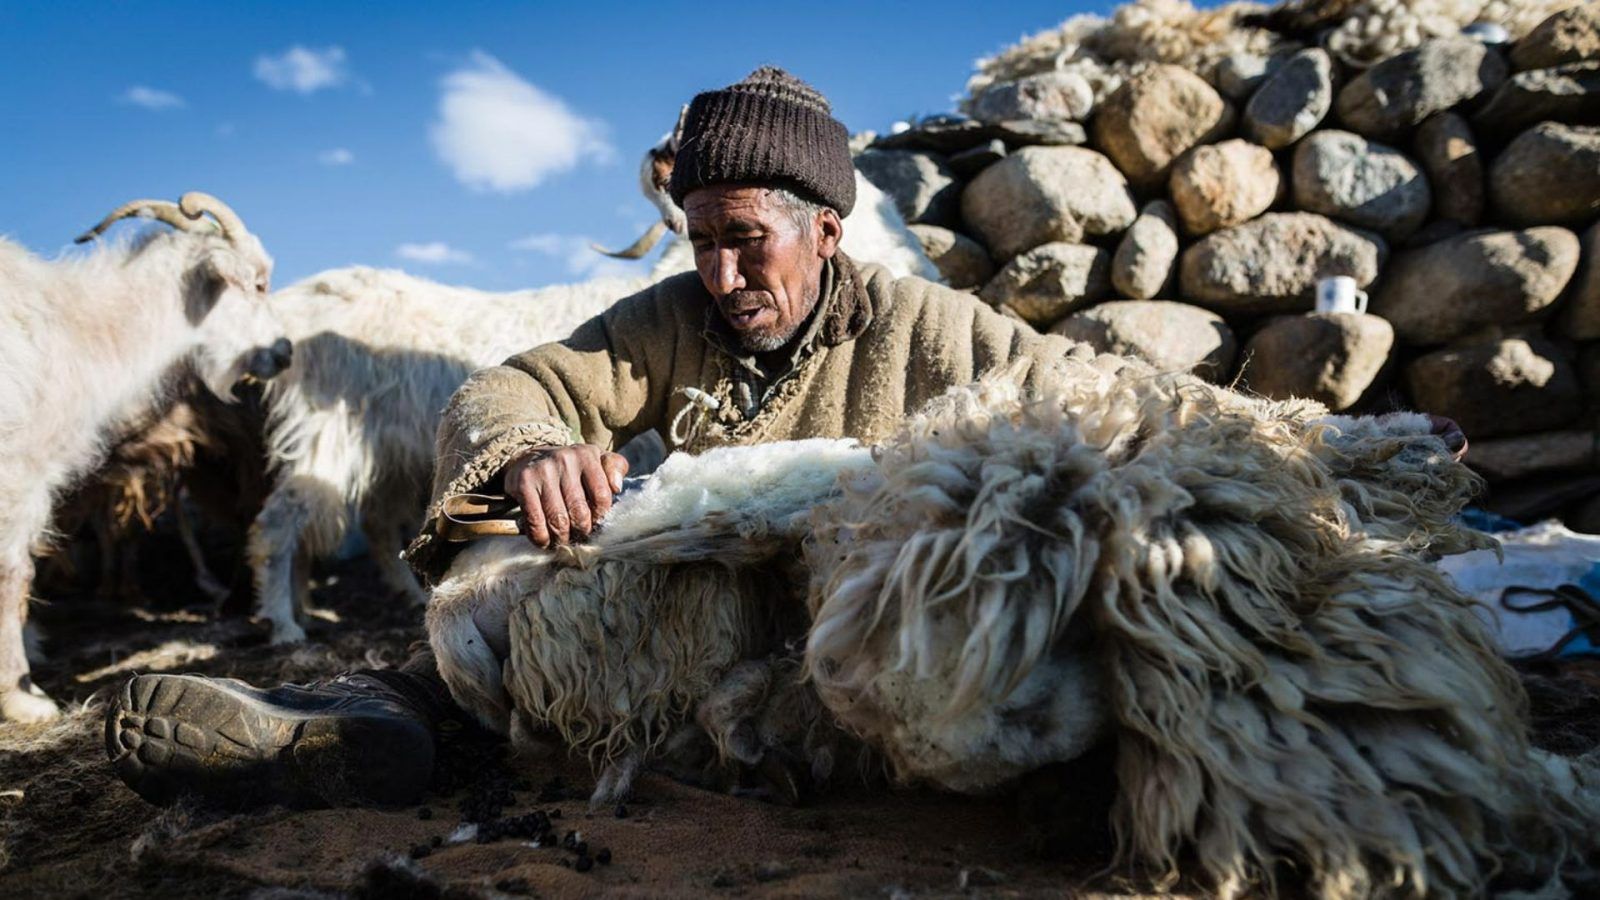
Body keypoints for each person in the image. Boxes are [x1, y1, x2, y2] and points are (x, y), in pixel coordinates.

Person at [104, 66, 1467, 809]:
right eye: (701, 245)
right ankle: (364, 740)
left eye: (747, 241)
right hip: (705, 630)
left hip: (851, 641)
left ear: (825, 226)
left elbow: (1106, 396)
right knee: (487, 615)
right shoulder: (663, 322)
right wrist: (532, 455)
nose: (722, 275)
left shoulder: (942, 334)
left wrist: (1335, 450)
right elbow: (510, 388)